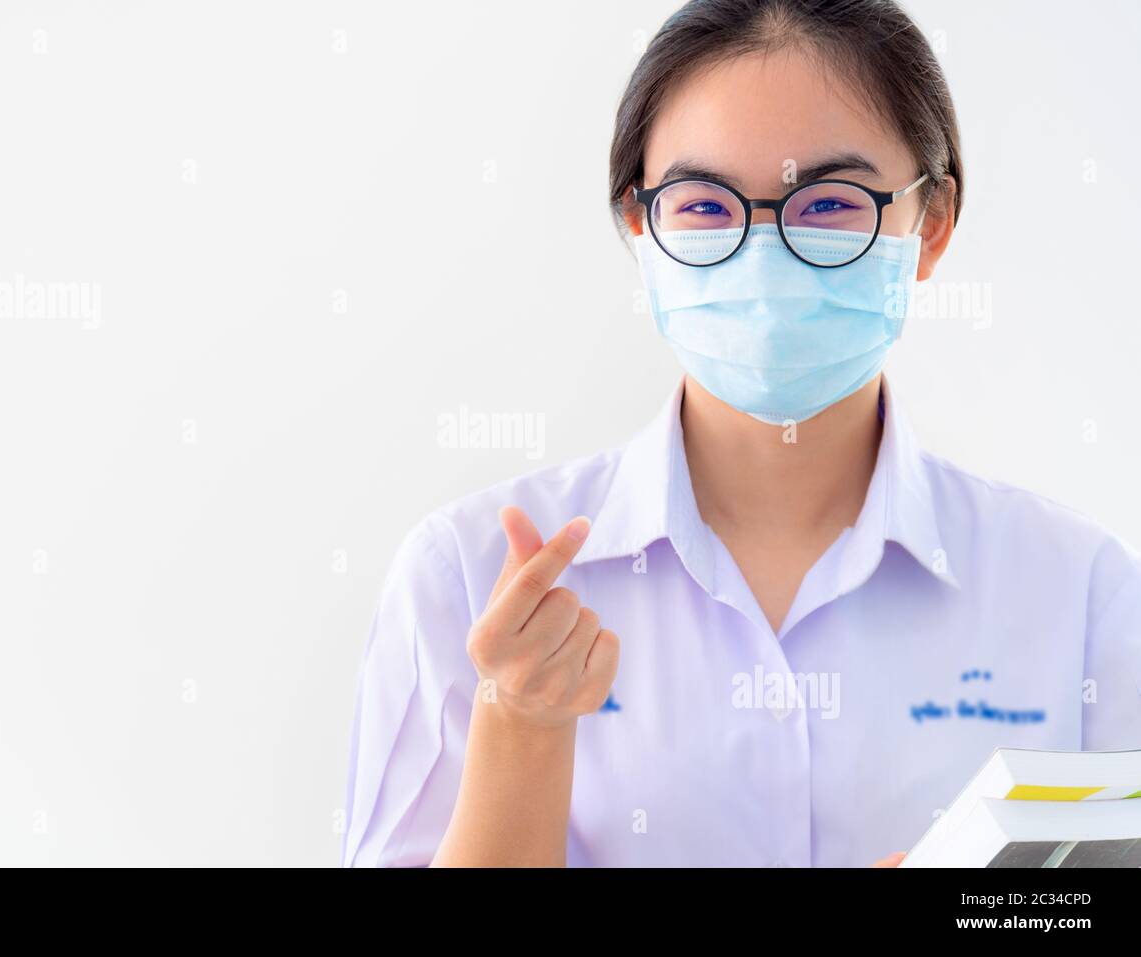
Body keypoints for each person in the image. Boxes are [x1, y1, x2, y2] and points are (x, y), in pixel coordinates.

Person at [341, 0, 1141, 867]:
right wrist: (520, 728)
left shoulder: (1083, 596)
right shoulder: (462, 581)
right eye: (705, 206)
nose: (765, 258)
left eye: (830, 204)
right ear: (641, 226)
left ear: (932, 223)